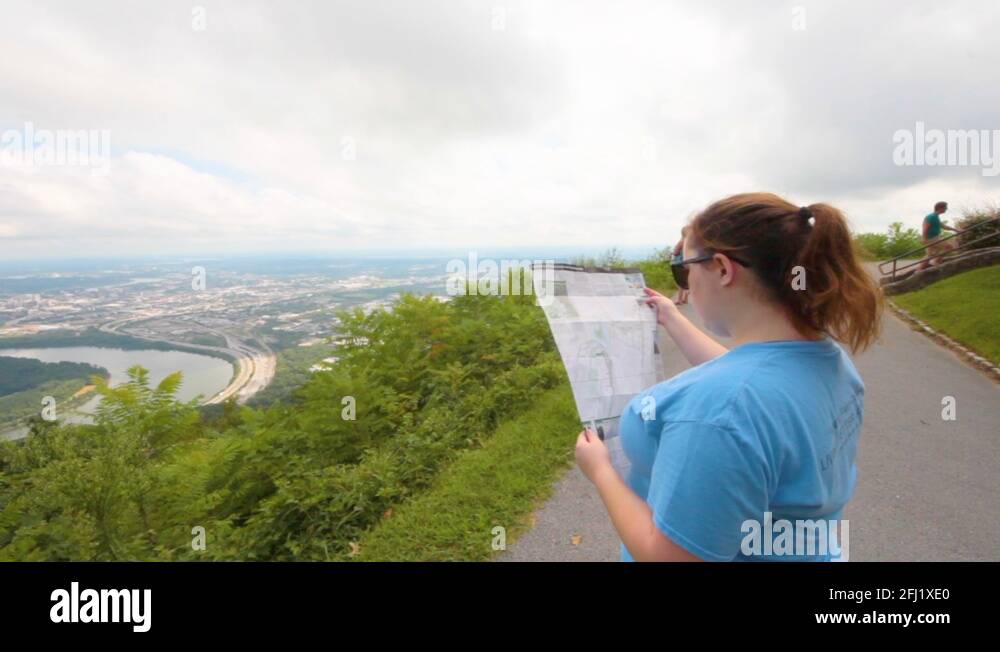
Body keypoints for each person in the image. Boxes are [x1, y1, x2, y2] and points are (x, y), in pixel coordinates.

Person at [574, 192, 883, 561]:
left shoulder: (719, 412)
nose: (685, 281)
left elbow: (670, 558)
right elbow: (753, 379)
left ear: (722, 269)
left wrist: (602, 471)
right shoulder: (827, 361)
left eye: (684, 269)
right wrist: (673, 318)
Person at [919, 201, 959, 270]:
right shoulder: (931, 217)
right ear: (940, 208)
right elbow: (925, 228)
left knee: (929, 255)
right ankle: (935, 262)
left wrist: (956, 230)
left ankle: (918, 270)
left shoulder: (936, 217)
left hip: (933, 238)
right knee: (949, 247)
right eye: (945, 208)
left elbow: (944, 226)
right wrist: (924, 238)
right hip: (932, 238)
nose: (946, 209)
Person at [670, 226, 690, 305]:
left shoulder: (681, 242)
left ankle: (679, 300)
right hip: (687, 263)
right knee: (686, 281)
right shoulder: (689, 243)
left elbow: (675, 252)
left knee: (680, 283)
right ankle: (685, 298)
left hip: (678, 263)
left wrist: (672, 253)